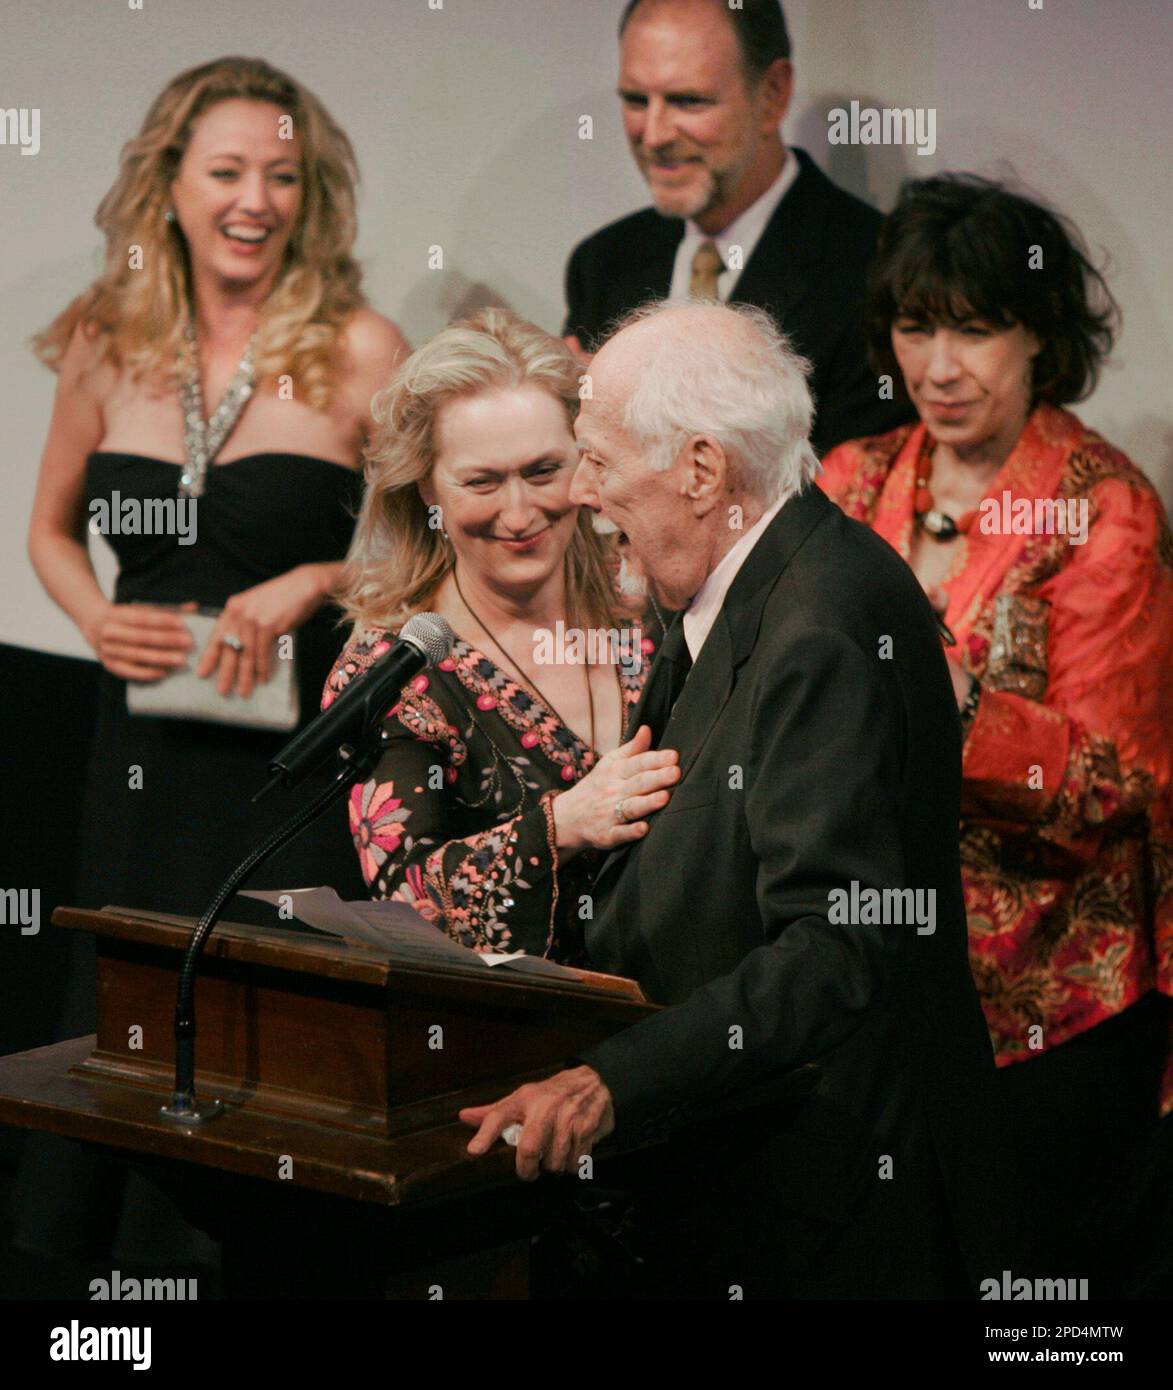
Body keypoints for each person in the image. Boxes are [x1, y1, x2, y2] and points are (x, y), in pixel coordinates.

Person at [459, 299, 1014, 1299]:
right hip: (734, 1175)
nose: (578, 493)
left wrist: (611, 1083)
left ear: (702, 471)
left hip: (833, 1209)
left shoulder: (823, 624)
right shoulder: (728, 583)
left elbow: (835, 946)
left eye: (597, 460)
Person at [19, 55, 406, 1281]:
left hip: (284, 771)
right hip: (136, 751)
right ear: (168, 185)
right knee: (123, 1012)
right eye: (228, 171)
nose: (256, 199)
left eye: (282, 176)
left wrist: (315, 583)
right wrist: (93, 615)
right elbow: (47, 526)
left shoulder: (360, 344)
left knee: (253, 1026)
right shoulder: (104, 336)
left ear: (313, 194)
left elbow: (427, 542)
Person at [817, 174, 1173, 1294]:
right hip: (870, 989)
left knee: (1041, 1312)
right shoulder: (851, 474)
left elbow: (1111, 788)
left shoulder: (1103, 505)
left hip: (1047, 1014)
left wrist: (951, 704)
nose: (939, 365)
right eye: (918, 326)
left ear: (1039, 334)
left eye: (976, 328)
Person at [324, 309, 675, 959]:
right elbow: (399, 904)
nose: (519, 515)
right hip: (502, 1033)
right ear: (427, 485)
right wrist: (563, 825)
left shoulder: (654, 607)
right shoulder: (391, 669)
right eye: (482, 482)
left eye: (544, 472)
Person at [563, 0, 912, 455]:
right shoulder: (604, 262)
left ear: (772, 94)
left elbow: (851, 502)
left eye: (688, 100)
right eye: (635, 100)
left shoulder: (877, 272)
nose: (654, 135)